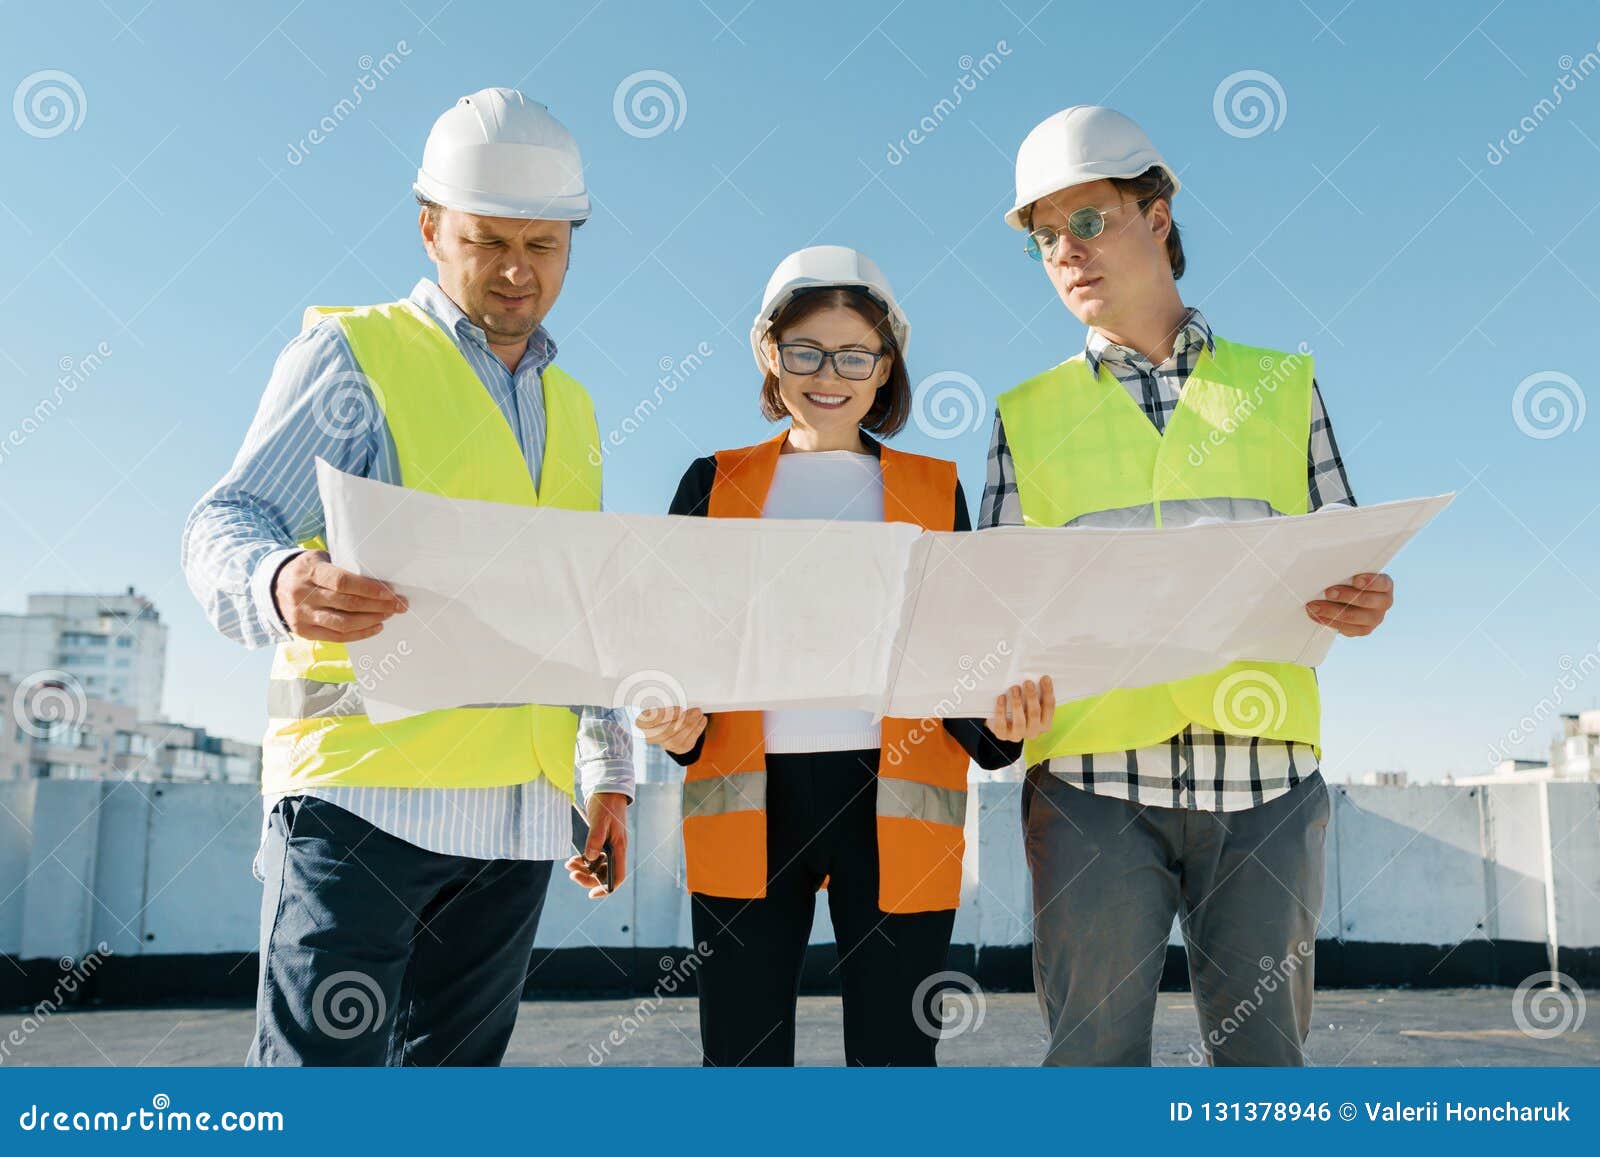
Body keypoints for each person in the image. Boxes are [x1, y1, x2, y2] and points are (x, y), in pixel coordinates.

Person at [181, 88, 634, 1066]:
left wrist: (607, 775)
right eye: (487, 240)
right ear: (431, 229)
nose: (516, 270)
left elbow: (585, 607)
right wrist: (278, 579)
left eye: (543, 244)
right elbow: (227, 518)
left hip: (517, 814)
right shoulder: (356, 355)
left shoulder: (576, 407)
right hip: (361, 800)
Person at [983, 106, 1396, 1066]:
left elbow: (1344, 549)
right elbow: (997, 610)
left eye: (1089, 221)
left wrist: (1365, 599)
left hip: (1265, 781)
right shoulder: (1024, 414)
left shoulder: (1282, 385)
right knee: (1091, 1063)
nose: (1065, 252)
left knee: (1265, 1068)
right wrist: (998, 681)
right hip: (1091, 783)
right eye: (1045, 237)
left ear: (1158, 217)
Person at [600, 245, 1054, 1066]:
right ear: (769, 353)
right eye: (806, 350)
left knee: (894, 1056)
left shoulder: (933, 489)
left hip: (895, 799)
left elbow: (954, 650)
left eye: (854, 355)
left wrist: (1001, 729)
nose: (829, 375)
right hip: (749, 800)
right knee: (741, 1056)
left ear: (886, 366)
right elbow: (664, 642)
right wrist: (670, 721)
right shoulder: (713, 482)